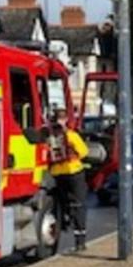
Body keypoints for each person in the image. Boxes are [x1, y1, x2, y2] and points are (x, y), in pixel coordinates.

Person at [48, 107, 90, 251]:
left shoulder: (50, 136)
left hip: (57, 175)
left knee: (62, 203)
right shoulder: (71, 135)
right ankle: (80, 241)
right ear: (65, 119)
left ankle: (65, 219)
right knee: (79, 205)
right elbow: (84, 152)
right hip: (74, 172)